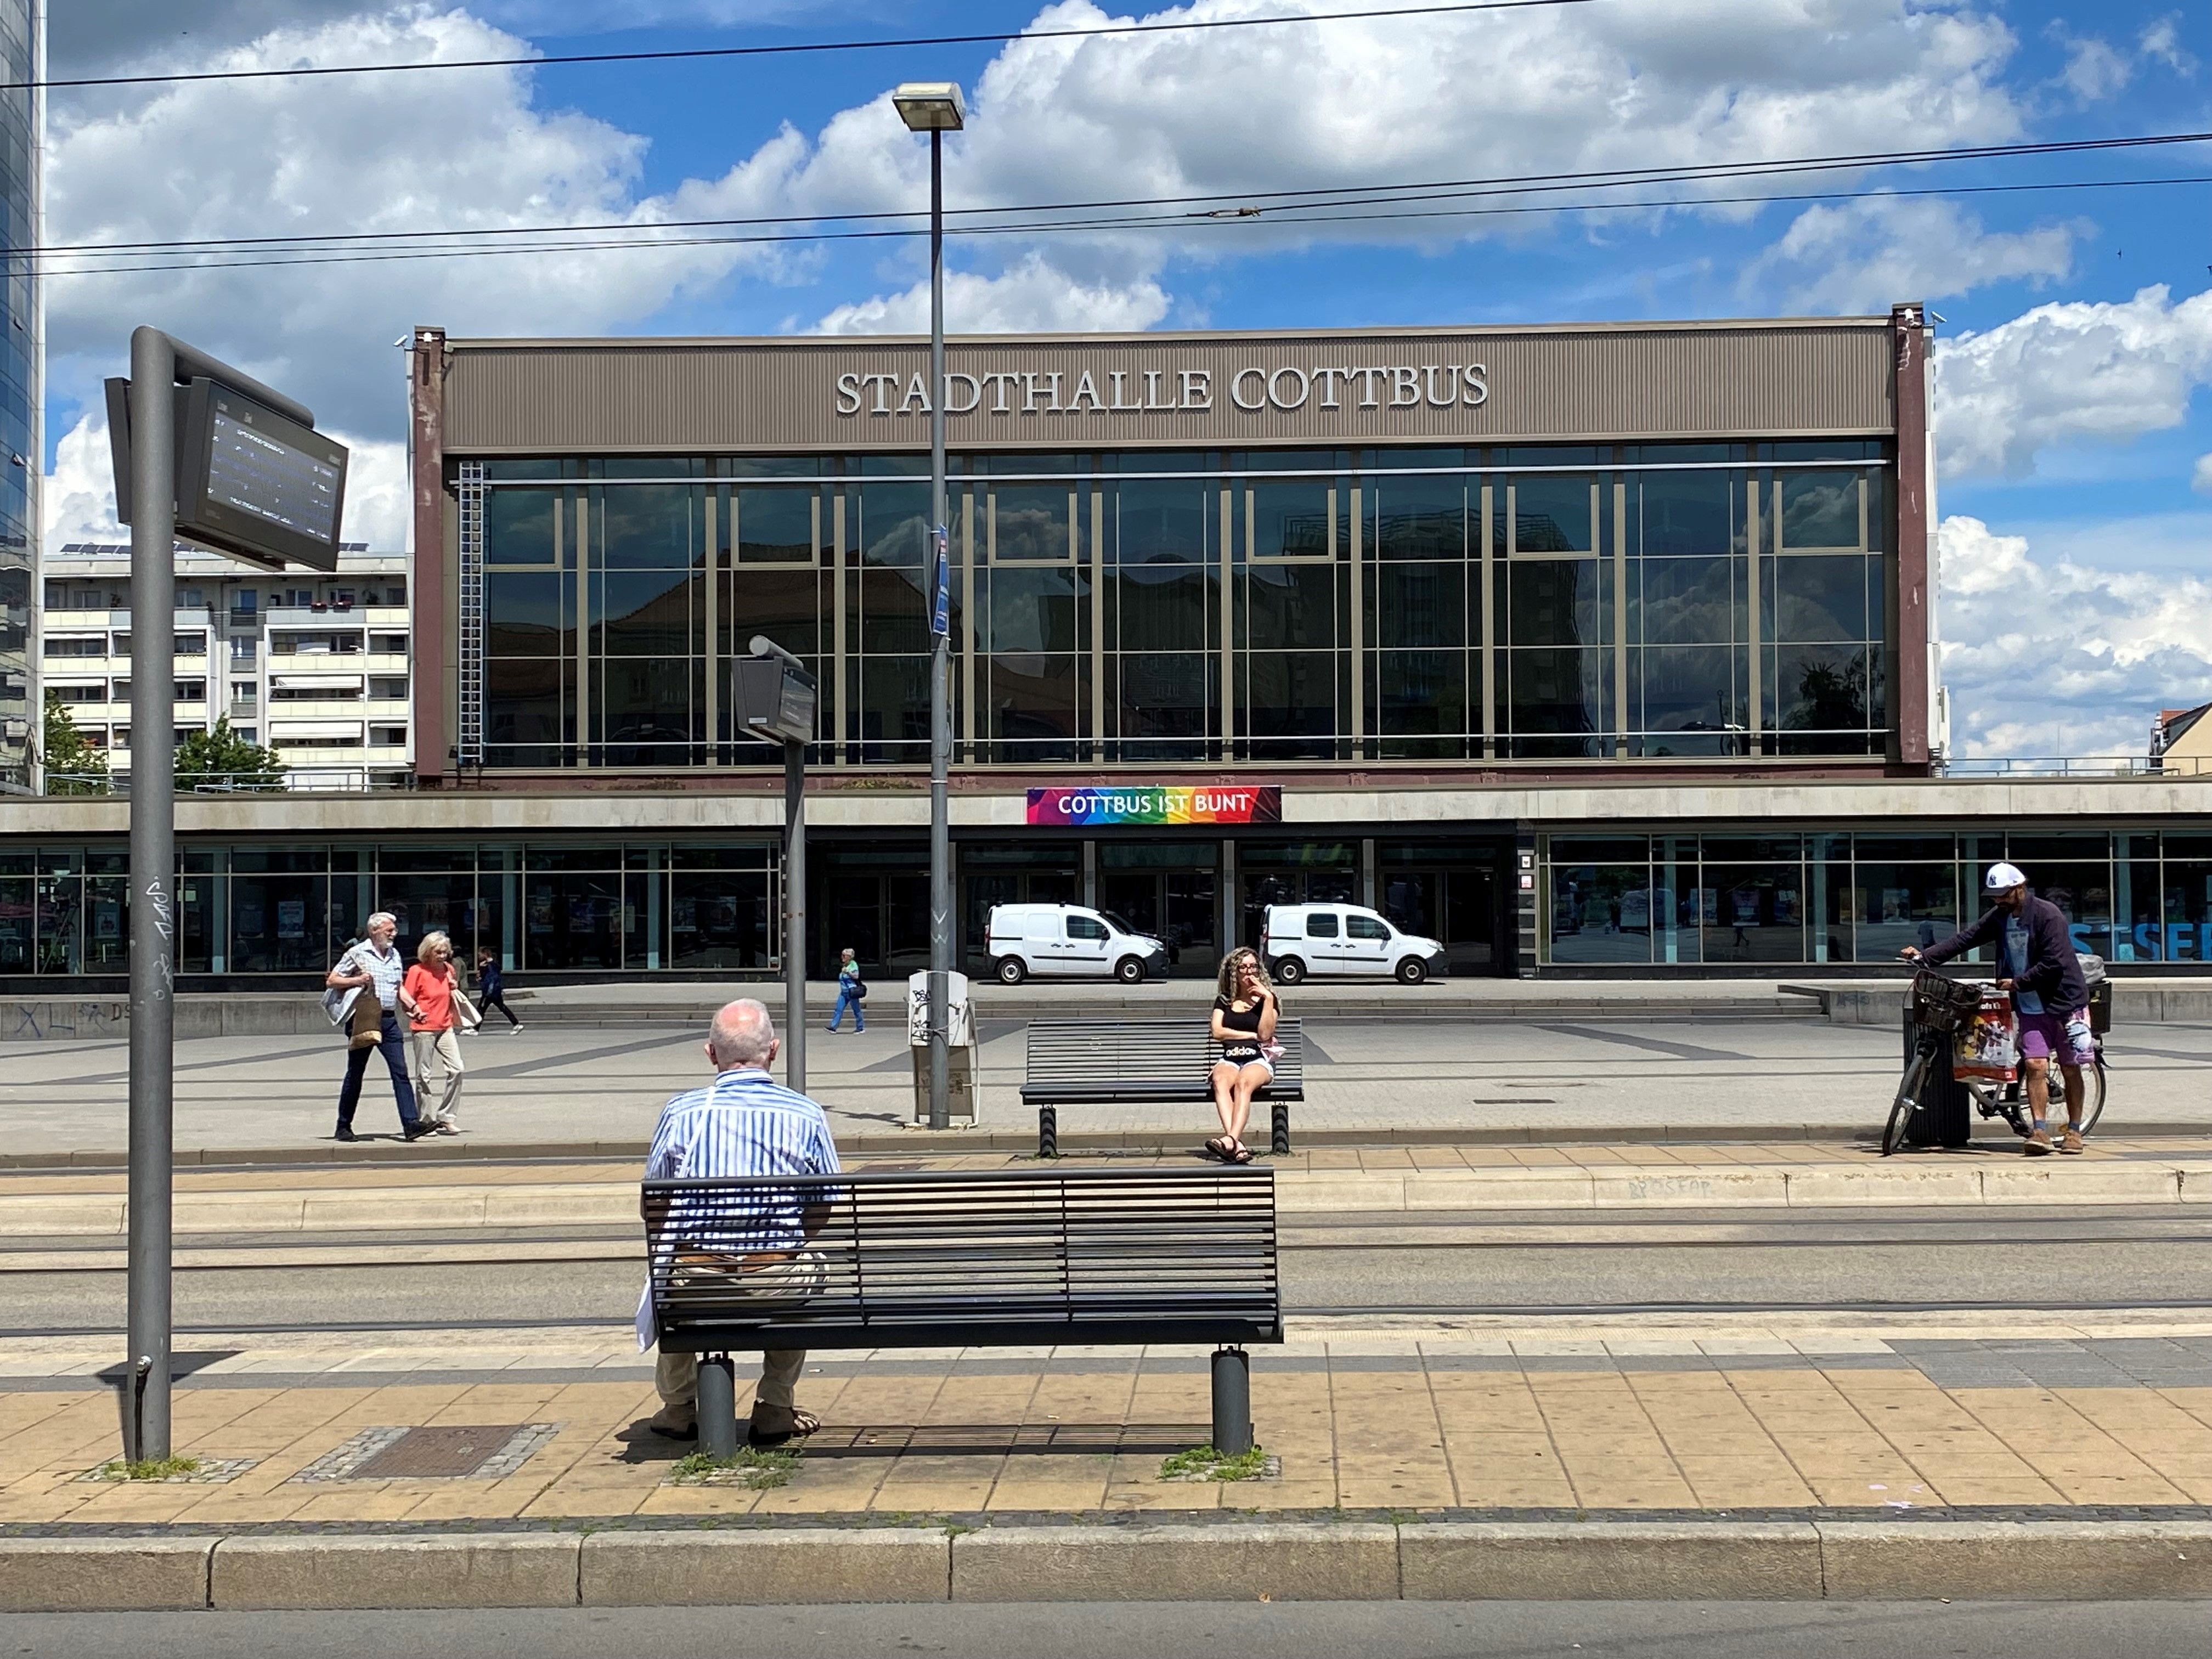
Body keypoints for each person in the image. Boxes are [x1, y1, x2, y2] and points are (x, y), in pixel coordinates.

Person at [636, 998, 839, 1446]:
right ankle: (774, 1405)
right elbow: (824, 1202)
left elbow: (653, 1206)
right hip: (774, 1279)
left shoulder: (680, 1112)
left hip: (697, 1281)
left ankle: (677, 1406)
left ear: (711, 1054)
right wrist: (787, 1242)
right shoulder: (805, 1113)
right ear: (775, 1050)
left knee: (668, 1268)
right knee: (813, 1265)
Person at [1903, 861, 2092, 1156]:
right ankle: (2040, 1131)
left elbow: (2054, 962)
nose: (1998, 900)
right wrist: (1925, 958)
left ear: (2020, 888)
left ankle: (2075, 1131)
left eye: (2003, 893)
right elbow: (1967, 938)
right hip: (2030, 1006)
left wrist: (2017, 983)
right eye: (1994, 895)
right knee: (2035, 1065)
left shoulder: (2047, 915)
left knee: (2069, 1067)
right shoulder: (2001, 916)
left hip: (2065, 1003)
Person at [325, 912, 435, 1143]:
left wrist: (413, 1006)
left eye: (394, 930)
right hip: (363, 1018)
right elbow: (332, 980)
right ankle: (343, 1126)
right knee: (356, 1073)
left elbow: (398, 987)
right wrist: (357, 980)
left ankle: (410, 1124)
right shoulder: (357, 953)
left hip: (388, 1019)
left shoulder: (394, 955)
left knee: (400, 1072)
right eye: (389, 930)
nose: (394, 933)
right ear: (375, 931)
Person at [1206, 947, 1279, 1165]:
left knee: (1243, 1083)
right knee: (1219, 1081)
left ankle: (1230, 1140)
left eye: (1253, 967)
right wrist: (1250, 1034)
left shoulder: (1268, 1000)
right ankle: (1237, 1145)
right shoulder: (1224, 1000)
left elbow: (1266, 1034)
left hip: (1257, 1059)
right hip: (1229, 1057)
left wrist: (1266, 998)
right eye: (1243, 968)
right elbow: (1217, 1032)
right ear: (1234, 972)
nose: (1249, 972)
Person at [403, 931, 466, 1136]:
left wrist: (453, 986)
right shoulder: (417, 971)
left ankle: (446, 1116)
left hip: (446, 1026)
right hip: (424, 1029)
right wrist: (414, 1011)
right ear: (428, 952)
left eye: (445, 952)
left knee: (457, 1069)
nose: (442, 956)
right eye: (438, 952)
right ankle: (426, 1120)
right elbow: (406, 999)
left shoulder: (448, 969)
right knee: (424, 1076)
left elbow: (449, 991)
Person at [474, 947, 523, 1031]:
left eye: (480, 955)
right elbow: (487, 978)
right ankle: (516, 1024)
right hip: (495, 991)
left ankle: (475, 1029)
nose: (479, 956)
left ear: (485, 954)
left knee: (481, 1009)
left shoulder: (490, 966)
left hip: (489, 992)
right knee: (502, 1007)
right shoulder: (491, 965)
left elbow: (491, 979)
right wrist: (481, 978)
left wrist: (488, 990)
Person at [826, 947, 865, 1033]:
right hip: (844, 992)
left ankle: (860, 1027)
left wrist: (848, 972)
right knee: (839, 1009)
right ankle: (833, 1027)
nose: (842, 957)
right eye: (842, 955)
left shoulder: (853, 965)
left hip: (851, 991)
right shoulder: (845, 965)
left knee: (856, 1010)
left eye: (844, 955)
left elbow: (856, 976)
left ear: (849, 957)